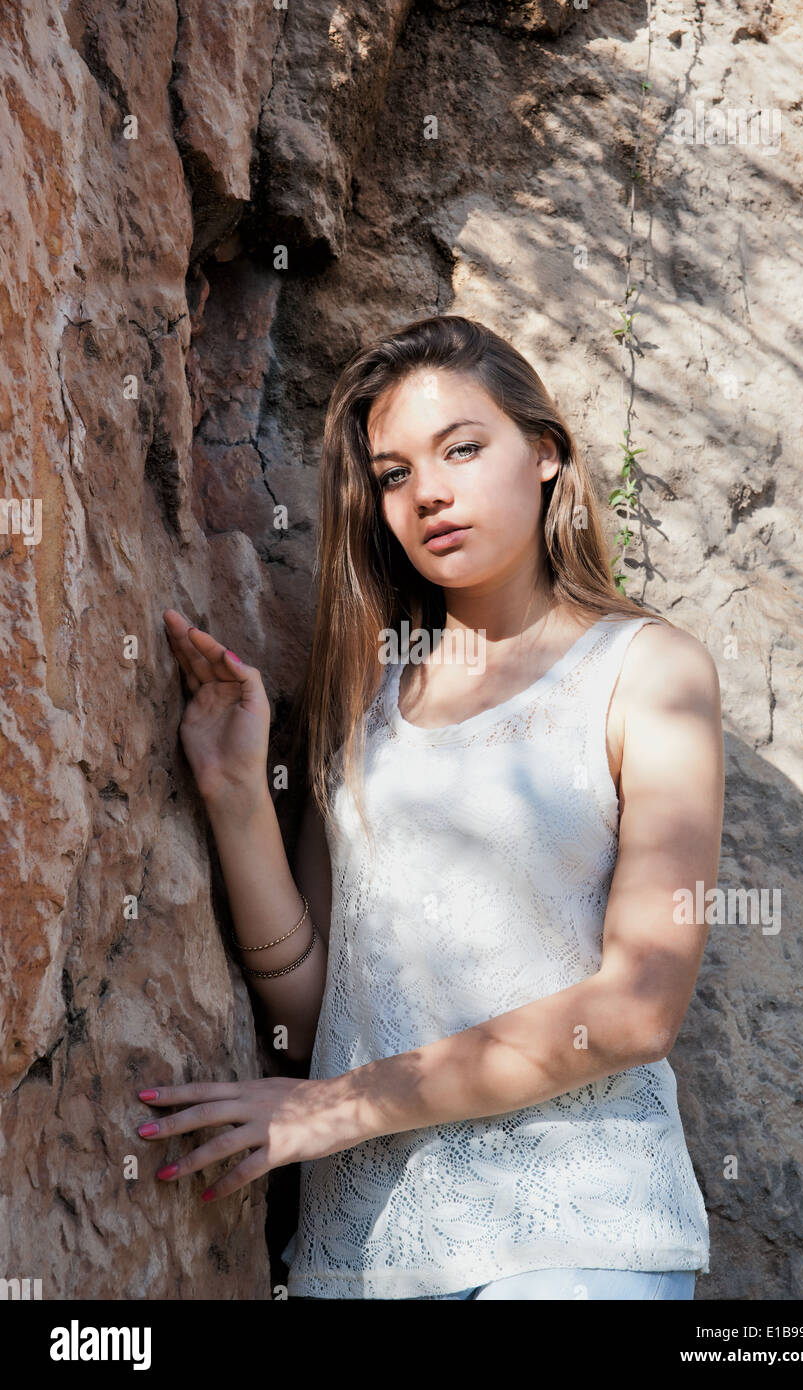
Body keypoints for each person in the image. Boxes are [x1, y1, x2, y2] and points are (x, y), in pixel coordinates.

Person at [145, 315, 724, 1300]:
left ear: (544, 454)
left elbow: (634, 1011)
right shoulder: (362, 692)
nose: (431, 493)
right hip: (358, 1253)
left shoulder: (646, 669)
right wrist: (238, 794)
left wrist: (339, 1106)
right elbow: (315, 1014)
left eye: (463, 447)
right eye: (395, 471)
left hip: (575, 1237)